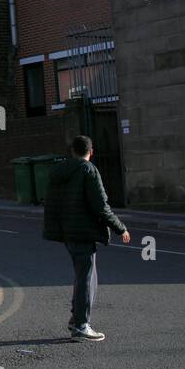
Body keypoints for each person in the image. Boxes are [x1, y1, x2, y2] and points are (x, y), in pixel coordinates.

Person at [43, 135, 130, 341]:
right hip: (83, 232)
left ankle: (76, 319)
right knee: (87, 279)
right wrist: (120, 228)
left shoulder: (59, 171)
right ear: (91, 152)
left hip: (67, 232)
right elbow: (100, 205)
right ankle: (81, 325)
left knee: (82, 276)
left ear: (72, 151)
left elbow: (52, 203)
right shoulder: (88, 170)